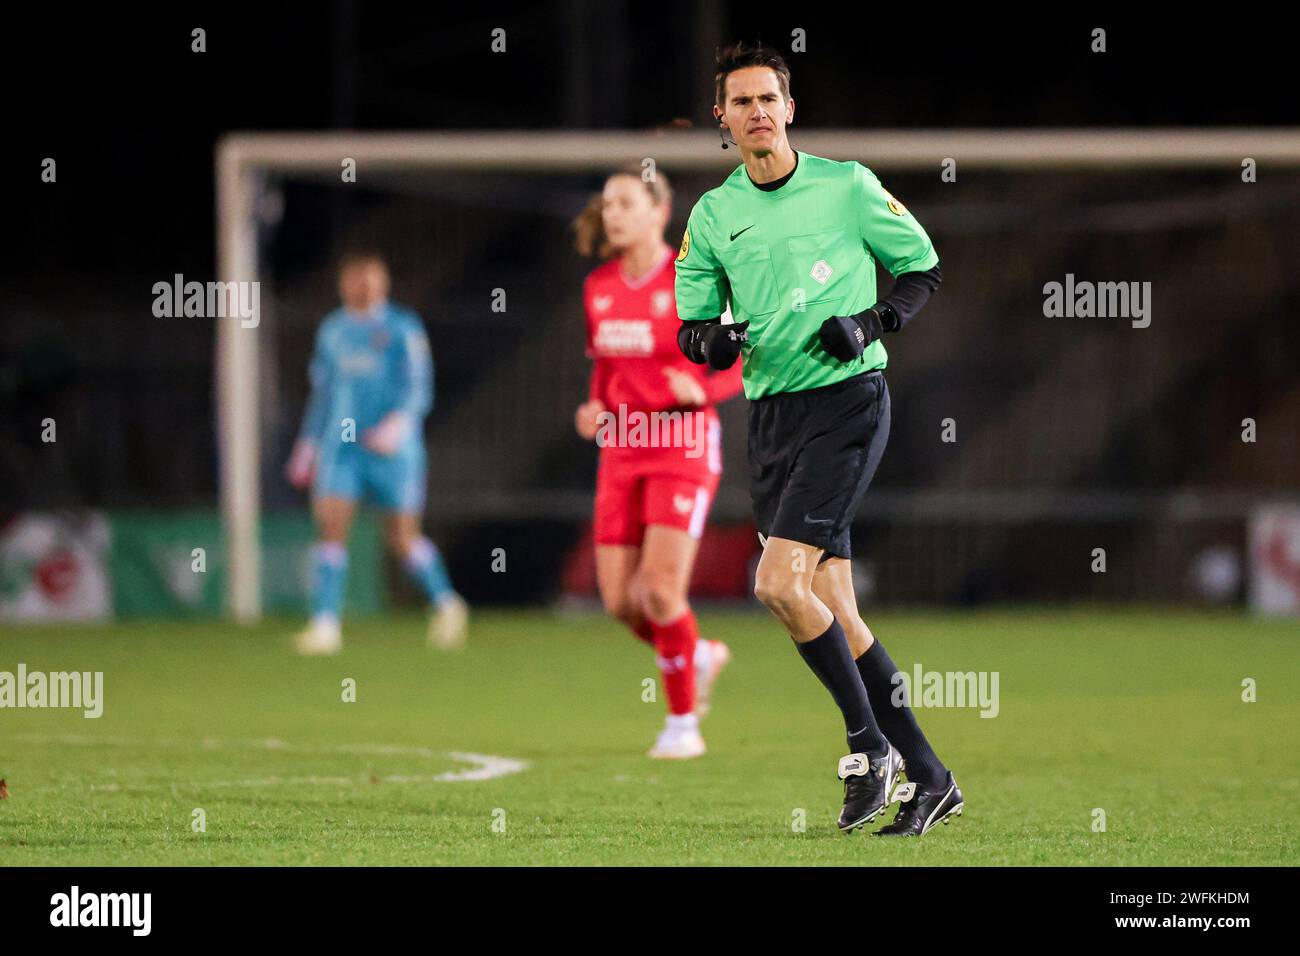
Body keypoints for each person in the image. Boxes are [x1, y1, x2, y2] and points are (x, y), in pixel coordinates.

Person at [675, 42, 961, 835]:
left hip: (849, 402)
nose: (758, 112)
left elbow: (923, 267)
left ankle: (870, 749)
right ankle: (931, 776)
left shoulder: (847, 186)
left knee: (774, 584)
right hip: (773, 419)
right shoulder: (713, 215)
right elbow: (692, 327)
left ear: (789, 109)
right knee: (834, 604)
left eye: (769, 98)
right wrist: (712, 346)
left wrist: (872, 321)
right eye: (742, 102)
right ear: (723, 121)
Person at [573, 165, 744, 758]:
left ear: (658, 213)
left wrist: (708, 389)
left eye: (624, 202)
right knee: (620, 602)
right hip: (622, 447)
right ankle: (696, 654)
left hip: (682, 445)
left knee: (660, 593)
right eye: (607, 203)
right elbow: (604, 363)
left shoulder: (693, 280)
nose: (612, 213)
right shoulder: (599, 286)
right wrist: (594, 406)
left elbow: (742, 357)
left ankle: (681, 728)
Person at [285, 252, 468, 655]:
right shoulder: (333, 331)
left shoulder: (403, 328)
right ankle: (325, 625)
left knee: (402, 536)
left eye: (372, 279)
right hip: (343, 447)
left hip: (393, 451)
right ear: (343, 284)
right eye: (356, 279)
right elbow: (324, 393)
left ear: (383, 284)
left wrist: (398, 424)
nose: (363, 286)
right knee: (331, 526)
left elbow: (420, 387)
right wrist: (307, 445)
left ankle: (447, 603)